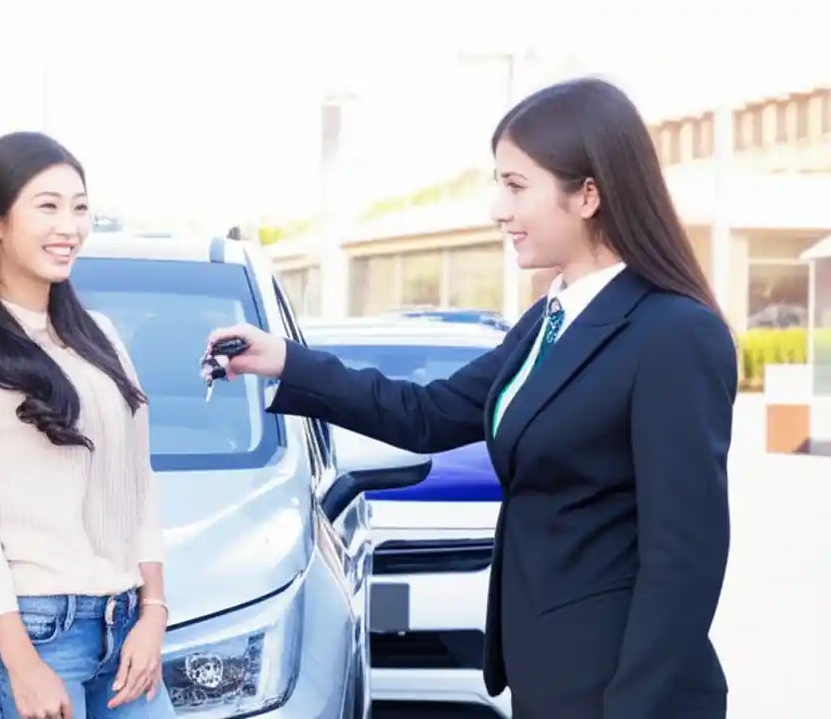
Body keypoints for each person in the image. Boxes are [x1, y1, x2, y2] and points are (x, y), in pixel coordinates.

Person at [206, 78, 736, 719]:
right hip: (552, 673)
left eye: (515, 185)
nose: (497, 209)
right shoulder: (549, 322)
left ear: (587, 195)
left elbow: (684, 558)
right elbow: (428, 414)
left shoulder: (674, 334)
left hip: (621, 688)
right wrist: (288, 361)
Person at [0, 131, 175, 719]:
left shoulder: (100, 336)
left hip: (124, 624)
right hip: (33, 633)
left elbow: (138, 483)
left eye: (79, 207)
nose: (69, 227)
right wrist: (21, 663)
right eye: (48, 206)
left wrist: (154, 611)